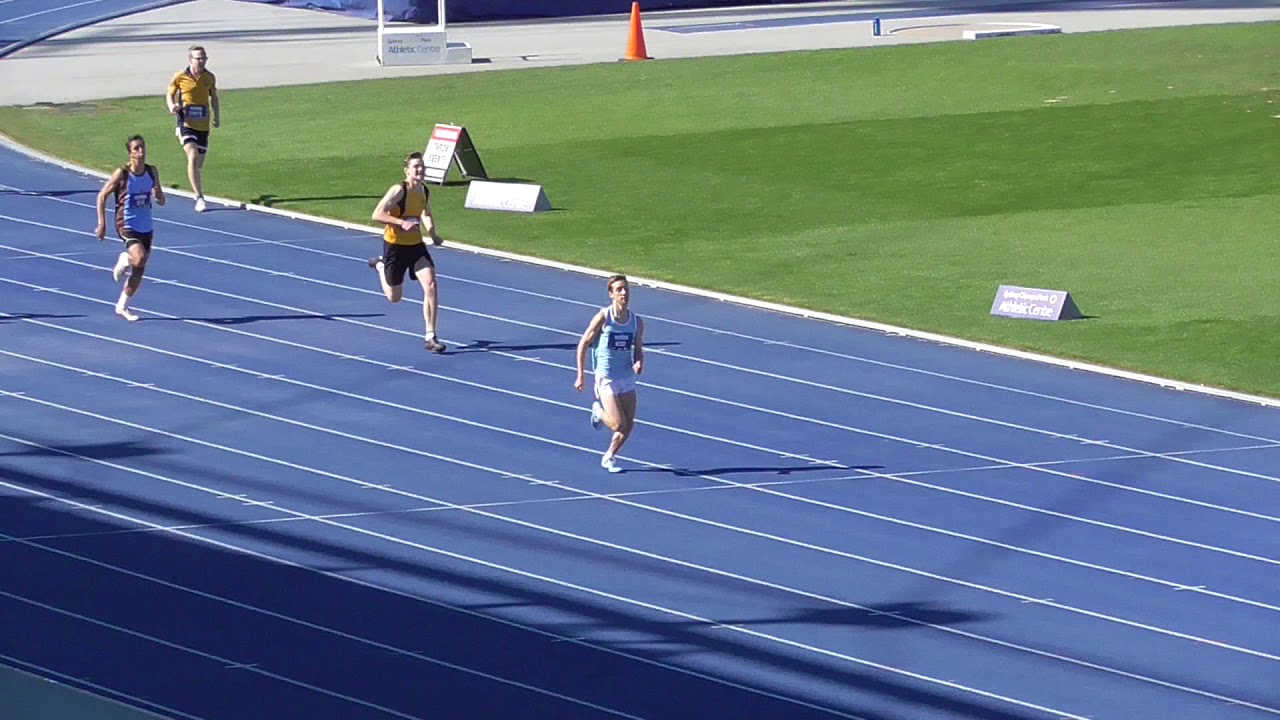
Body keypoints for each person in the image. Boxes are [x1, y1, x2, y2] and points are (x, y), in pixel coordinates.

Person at [368, 151, 447, 353]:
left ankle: (431, 335)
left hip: (416, 246)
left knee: (431, 284)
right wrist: (401, 222)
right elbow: (377, 214)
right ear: (407, 170)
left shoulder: (424, 191)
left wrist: (433, 234)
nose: (420, 170)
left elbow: (426, 214)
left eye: (422, 166)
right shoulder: (398, 190)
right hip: (395, 246)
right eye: (416, 167)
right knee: (394, 297)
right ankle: (380, 266)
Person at [575, 274, 645, 473]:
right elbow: (583, 344)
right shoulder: (604, 318)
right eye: (619, 290)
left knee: (628, 425)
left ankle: (609, 456)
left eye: (626, 289)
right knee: (616, 424)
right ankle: (598, 411)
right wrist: (581, 375)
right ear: (611, 295)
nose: (624, 293)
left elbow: (638, 348)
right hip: (606, 377)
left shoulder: (636, 322)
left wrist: (639, 361)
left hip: (626, 376)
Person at [94, 135, 166, 322]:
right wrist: (102, 223)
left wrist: (159, 195)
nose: (141, 152)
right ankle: (125, 257)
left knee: (139, 269)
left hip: (146, 226)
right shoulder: (123, 174)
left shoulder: (151, 171)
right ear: (130, 153)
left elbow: (160, 197)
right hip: (126, 224)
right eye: (136, 149)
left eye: (142, 148)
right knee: (138, 258)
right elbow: (102, 196)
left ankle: (122, 306)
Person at [165, 45, 219, 212]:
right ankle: (199, 197)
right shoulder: (180, 76)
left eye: (204, 58)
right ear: (191, 60)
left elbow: (214, 98)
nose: (202, 61)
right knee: (193, 155)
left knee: (198, 164)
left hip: (202, 124)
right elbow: (170, 93)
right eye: (198, 58)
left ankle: (195, 179)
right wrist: (172, 106)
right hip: (185, 122)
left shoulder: (209, 77)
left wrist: (217, 116)